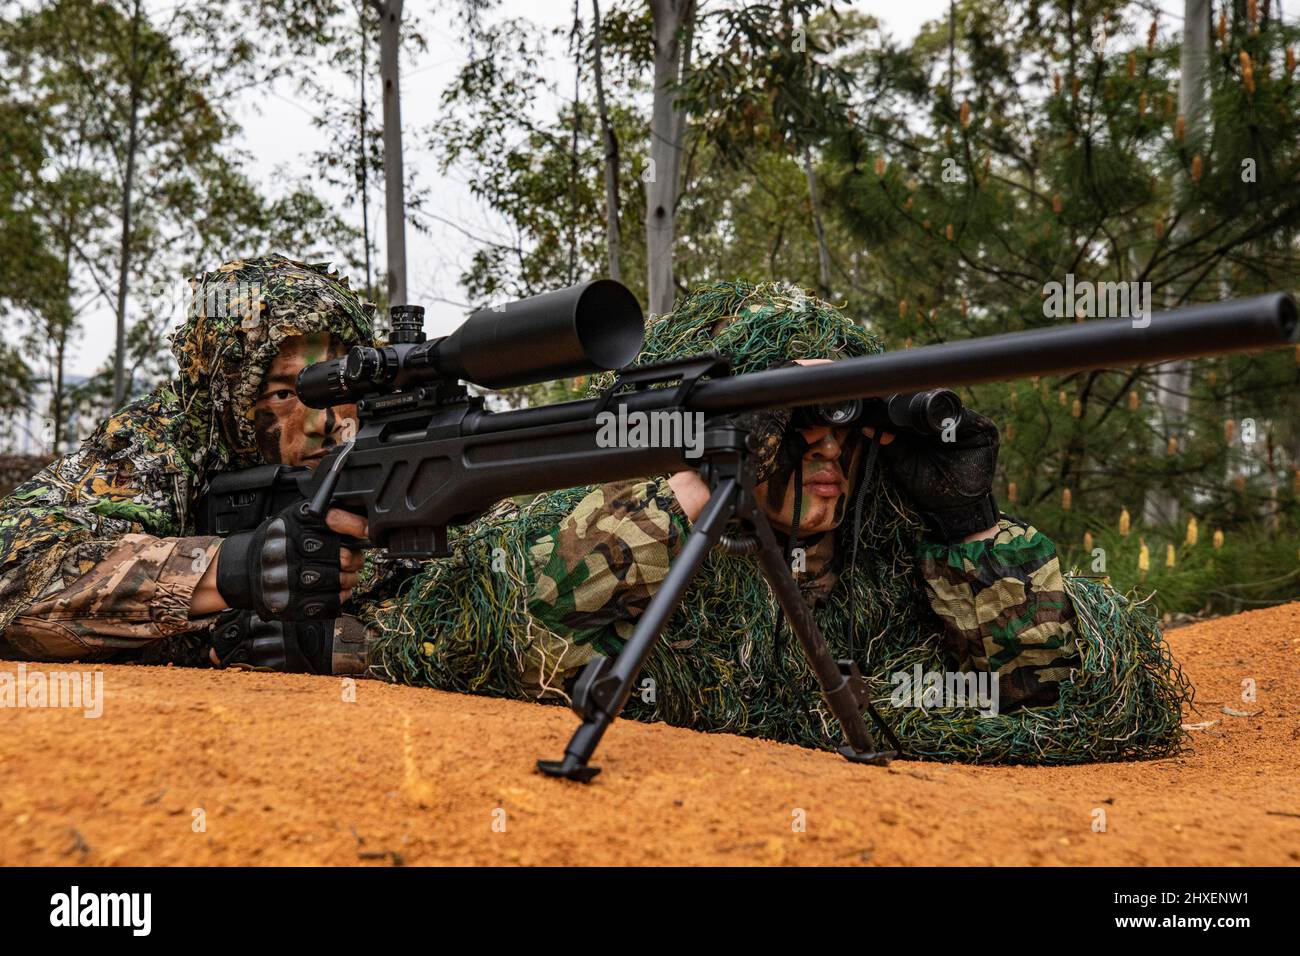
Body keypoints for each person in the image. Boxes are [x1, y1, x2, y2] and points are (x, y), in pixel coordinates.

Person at [373, 281, 1191, 763]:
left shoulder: (892, 574)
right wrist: (705, 476)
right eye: (800, 422)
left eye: (848, 424)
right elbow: (512, 632)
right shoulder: (616, 533)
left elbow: (1045, 696)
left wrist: (968, 521)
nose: (830, 447)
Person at [0, 254, 378, 674]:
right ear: (233, 399)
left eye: (341, 384)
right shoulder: (159, 447)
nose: (326, 420)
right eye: (284, 394)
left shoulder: (388, 465)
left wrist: (344, 645)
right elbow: (13, 583)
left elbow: (446, 621)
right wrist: (241, 569)